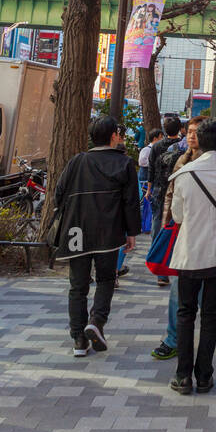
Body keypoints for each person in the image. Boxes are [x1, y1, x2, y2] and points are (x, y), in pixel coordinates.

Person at [168, 118, 216, 394]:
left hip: (189, 251)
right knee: (211, 314)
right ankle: (205, 376)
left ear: (199, 139)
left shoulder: (184, 174)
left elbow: (177, 216)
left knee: (186, 312)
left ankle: (182, 376)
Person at [55, 115, 141, 357]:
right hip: (109, 230)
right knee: (105, 279)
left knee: (77, 286)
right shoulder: (124, 164)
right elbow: (131, 202)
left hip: (76, 230)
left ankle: (78, 339)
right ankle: (97, 321)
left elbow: (58, 194)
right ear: (114, 136)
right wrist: (131, 232)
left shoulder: (77, 161)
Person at [147, 115, 183, 249]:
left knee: (156, 218)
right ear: (180, 129)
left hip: (158, 186)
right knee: (176, 218)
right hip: (176, 187)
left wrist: (149, 189)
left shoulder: (156, 146)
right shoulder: (183, 146)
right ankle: (171, 248)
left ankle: (155, 248)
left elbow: (151, 168)